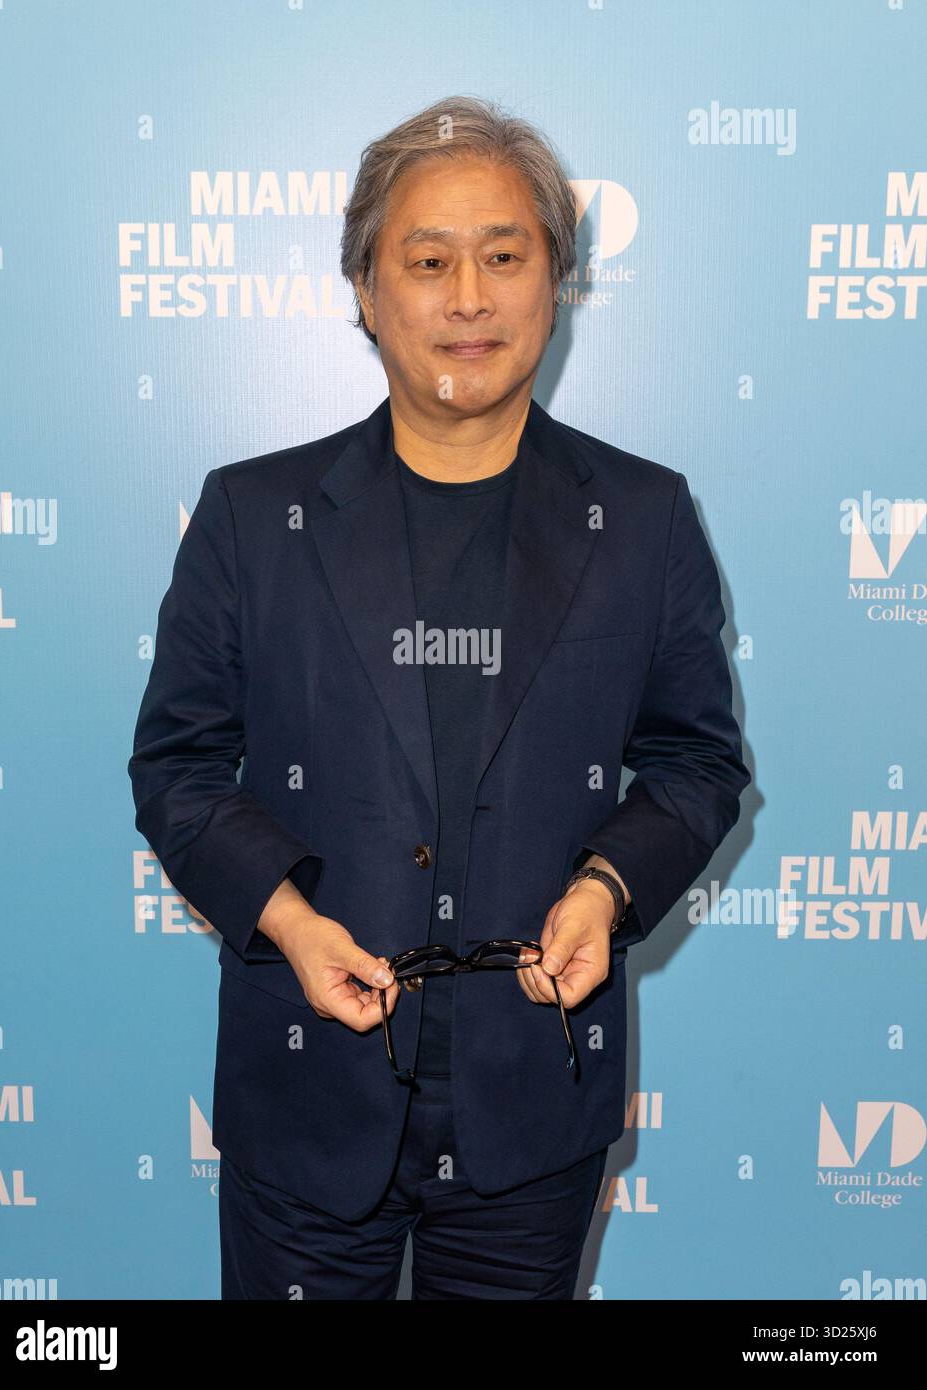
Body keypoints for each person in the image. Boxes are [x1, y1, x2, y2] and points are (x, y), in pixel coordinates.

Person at [127, 94, 751, 1300]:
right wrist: (295, 926)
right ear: (365, 291)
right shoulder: (257, 517)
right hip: (307, 1086)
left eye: (504, 256)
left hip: (534, 1099)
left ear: (554, 285)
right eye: (427, 261)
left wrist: (605, 888)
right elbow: (179, 769)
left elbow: (695, 762)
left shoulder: (642, 519)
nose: (469, 297)